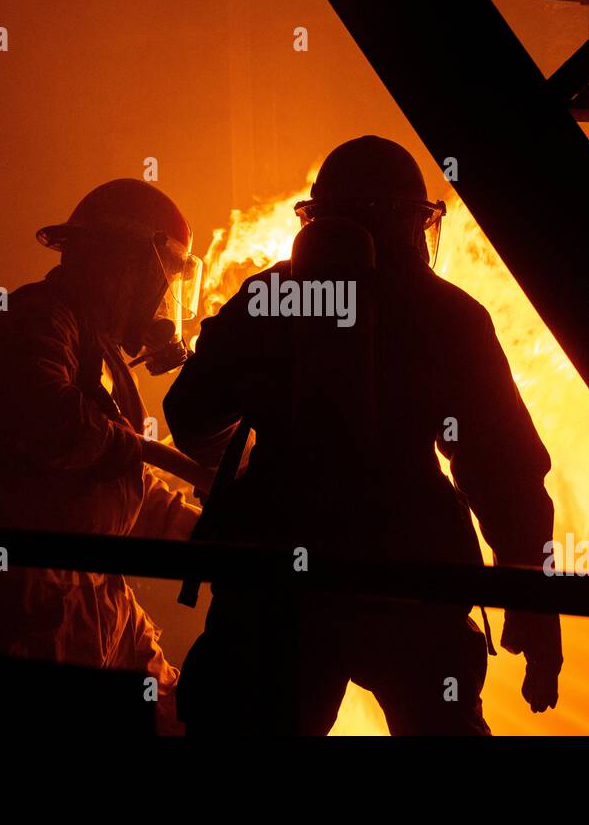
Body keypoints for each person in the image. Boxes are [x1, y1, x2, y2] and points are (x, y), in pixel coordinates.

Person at [164, 135, 562, 735]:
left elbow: (190, 412)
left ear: (318, 215)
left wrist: (256, 478)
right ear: (414, 221)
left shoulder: (268, 299)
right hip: (411, 579)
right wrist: (531, 597)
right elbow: (503, 471)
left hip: (275, 585)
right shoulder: (447, 314)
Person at [0, 179, 204, 734]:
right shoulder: (41, 318)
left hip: (94, 592)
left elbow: (122, 482)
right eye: (166, 276)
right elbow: (38, 410)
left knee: (180, 716)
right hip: (30, 606)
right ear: (128, 264)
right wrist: (126, 446)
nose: (164, 298)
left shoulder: (96, 348)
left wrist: (205, 534)